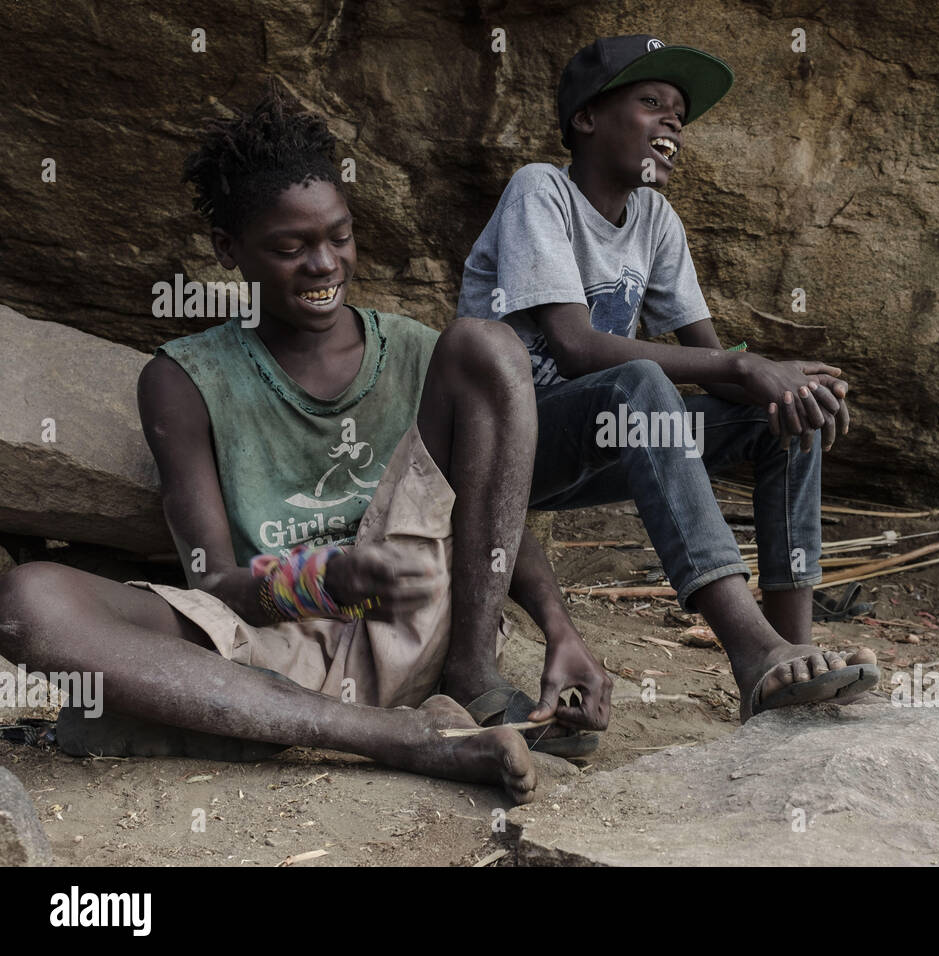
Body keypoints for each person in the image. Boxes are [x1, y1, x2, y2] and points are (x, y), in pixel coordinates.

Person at [0, 85, 566, 803]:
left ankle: (475, 688)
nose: (324, 264)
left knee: (488, 343)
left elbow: (498, 518)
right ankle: (395, 737)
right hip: (266, 651)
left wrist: (560, 631)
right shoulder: (184, 379)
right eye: (291, 247)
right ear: (229, 250)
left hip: (421, 626)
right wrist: (325, 579)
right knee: (25, 602)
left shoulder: (425, 355)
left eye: (339, 235)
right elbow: (213, 583)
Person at [457, 36, 878, 720]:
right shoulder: (542, 191)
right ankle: (748, 647)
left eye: (679, 113)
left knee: (782, 416)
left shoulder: (655, 219)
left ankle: (789, 658)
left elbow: (713, 365)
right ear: (587, 118)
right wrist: (745, 364)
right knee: (640, 383)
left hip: (598, 439)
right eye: (651, 102)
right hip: (505, 447)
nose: (672, 122)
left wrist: (791, 385)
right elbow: (575, 348)